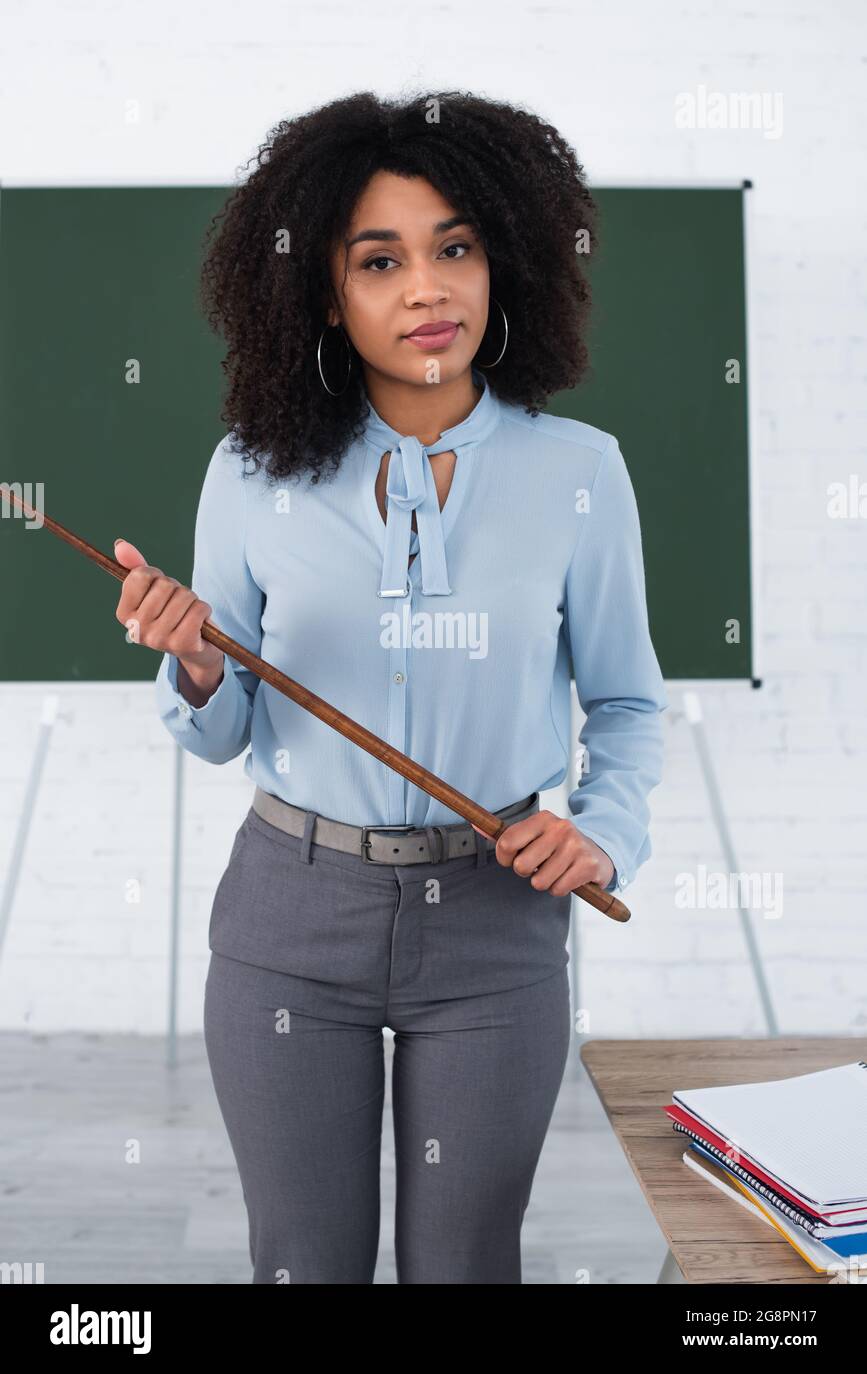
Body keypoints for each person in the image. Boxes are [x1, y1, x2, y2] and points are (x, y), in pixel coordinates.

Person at [114, 89, 668, 1284]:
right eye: (381, 260)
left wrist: (604, 836)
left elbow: (626, 701)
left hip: (495, 925)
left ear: (503, 261)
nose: (428, 289)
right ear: (326, 295)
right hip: (287, 921)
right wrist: (199, 662)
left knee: (467, 1266)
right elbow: (218, 729)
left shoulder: (582, 473)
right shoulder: (249, 472)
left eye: (455, 248)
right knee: (302, 1264)